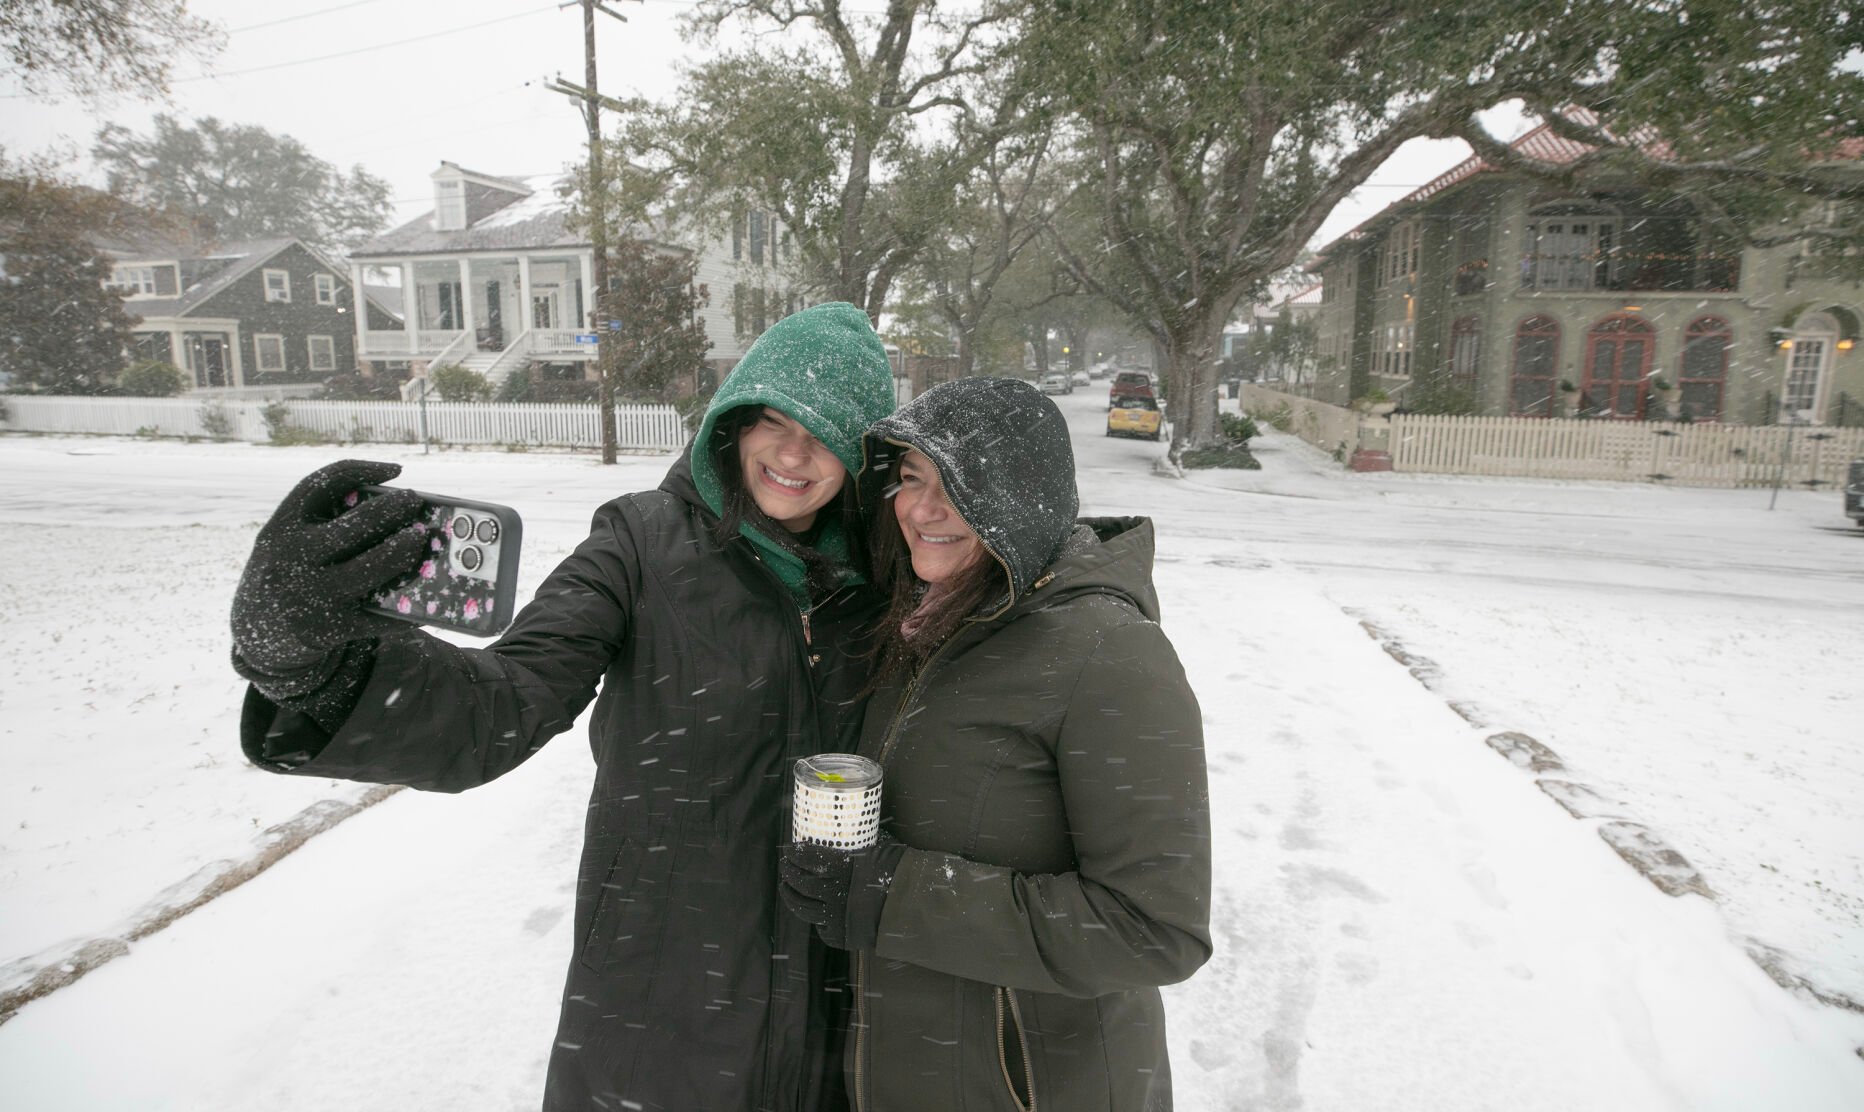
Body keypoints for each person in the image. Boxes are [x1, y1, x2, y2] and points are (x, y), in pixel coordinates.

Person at [228, 302, 897, 1111]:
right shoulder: (639, 545)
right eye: (774, 420)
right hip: (665, 993)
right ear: (733, 423)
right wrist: (313, 667)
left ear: (864, 457)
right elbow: (499, 707)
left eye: (824, 432)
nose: (792, 453)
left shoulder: (893, 583)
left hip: (843, 1006)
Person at [779, 377, 1212, 1111]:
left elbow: (1156, 929)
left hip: (1035, 1088)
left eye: (961, 487)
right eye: (912, 479)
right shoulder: (930, 620)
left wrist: (893, 896)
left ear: (1026, 499)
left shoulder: (1108, 653)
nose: (922, 510)